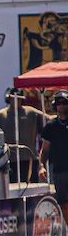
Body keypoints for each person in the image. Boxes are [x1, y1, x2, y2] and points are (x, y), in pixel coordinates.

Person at [0, 89, 48, 184]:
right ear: (8, 99)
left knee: (31, 188)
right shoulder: (0, 115)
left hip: (29, 158)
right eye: (13, 98)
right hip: (9, 160)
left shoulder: (31, 112)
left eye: (18, 99)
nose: (16, 101)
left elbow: (49, 120)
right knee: (12, 190)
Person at [38, 93, 68, 229]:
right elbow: (44, 151)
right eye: (59, 103)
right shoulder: (50, 126)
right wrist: (41, 166)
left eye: (64, 102)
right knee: (63, 203)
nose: (62, 106)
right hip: (59, 170)